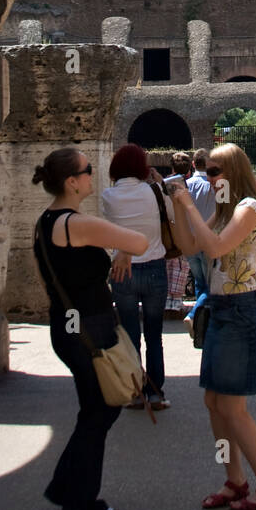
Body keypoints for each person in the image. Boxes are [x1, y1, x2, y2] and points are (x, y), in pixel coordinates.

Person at [32, 146, 148, 510]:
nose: (91, 175)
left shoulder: (45, 223)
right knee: (100, 410)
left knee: (95, 410)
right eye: (86, 170)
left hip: (67, 326)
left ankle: (66, 486)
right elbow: (140, 242)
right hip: (89, 328)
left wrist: (119, 250)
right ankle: (79, 502)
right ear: (71, 181)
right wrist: (123, 251)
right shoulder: (76, 224)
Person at [169, 144, 256, 510]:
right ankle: (234, 480)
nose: (209, 176)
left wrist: (189, 205)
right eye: (206, 170)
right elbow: (189, 244)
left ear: (234, 172)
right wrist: (175, 203)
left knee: (233, 408)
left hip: (244, 312)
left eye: (215, 171)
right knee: (214, 403)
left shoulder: (249, 209)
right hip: (221, 309)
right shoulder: (223, 212)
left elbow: (216, 249)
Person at [102, 143, 174, 409]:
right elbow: (172, 215)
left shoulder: (108, 195)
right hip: (154, 266)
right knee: (154, 335)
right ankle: (156, 391)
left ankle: (134, 391)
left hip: (123, 269)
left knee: (129, 333)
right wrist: (160, 183)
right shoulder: (154, 191)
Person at [184, 148, 217, 306]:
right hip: (209, 239)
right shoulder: (215, 185)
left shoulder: (186, 185)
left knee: (199, 282)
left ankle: (199, 320)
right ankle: (196, 314)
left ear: (193, 164)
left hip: (191, 240)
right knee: (209, 284)